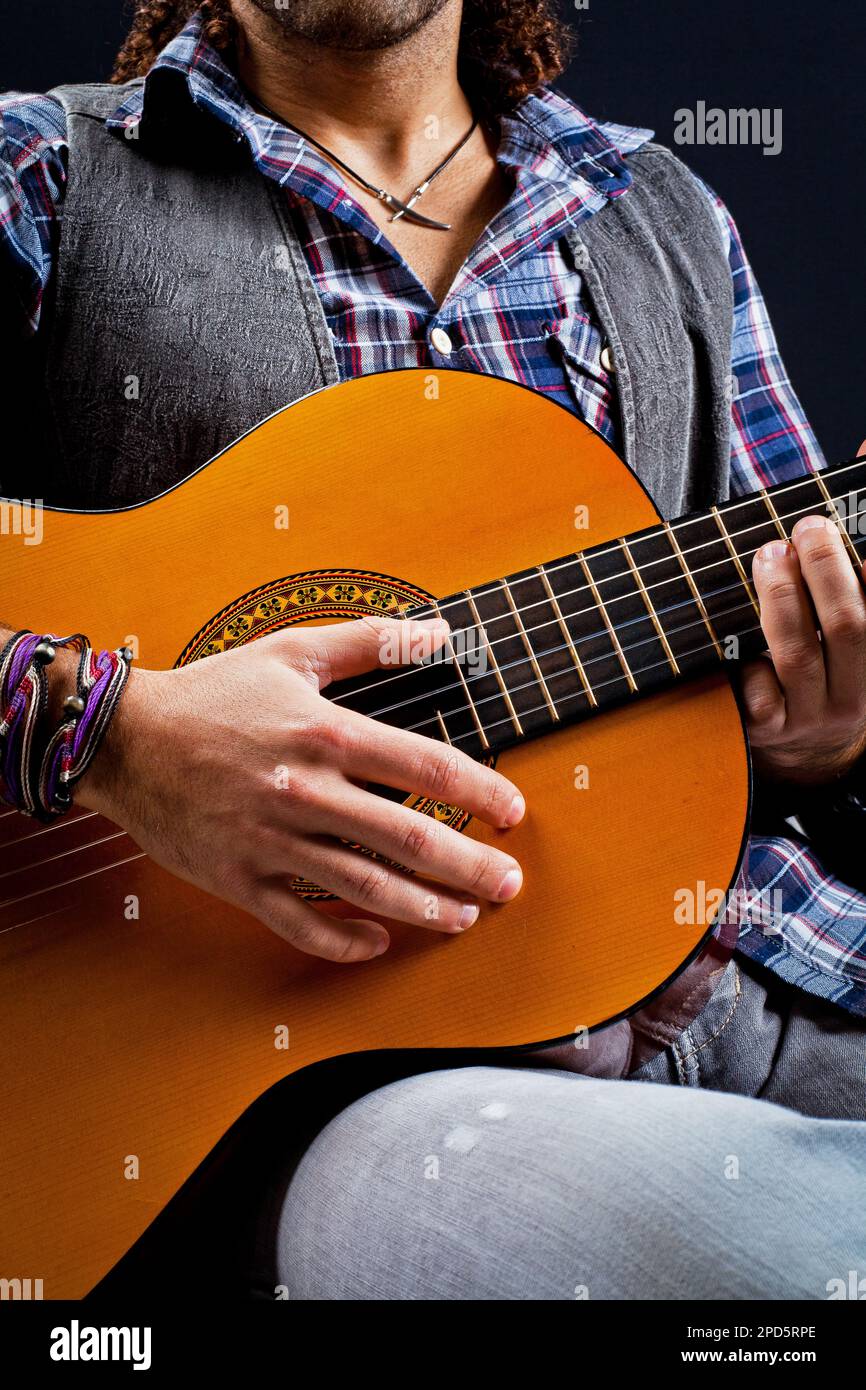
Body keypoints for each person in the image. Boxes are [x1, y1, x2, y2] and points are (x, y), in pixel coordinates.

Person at [1, 0, 864, 1299]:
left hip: (775, 988)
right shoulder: (44, 178)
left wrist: (827, 733)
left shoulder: (663, 212)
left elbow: (806, 655)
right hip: (361, 1120)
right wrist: (110, 732)